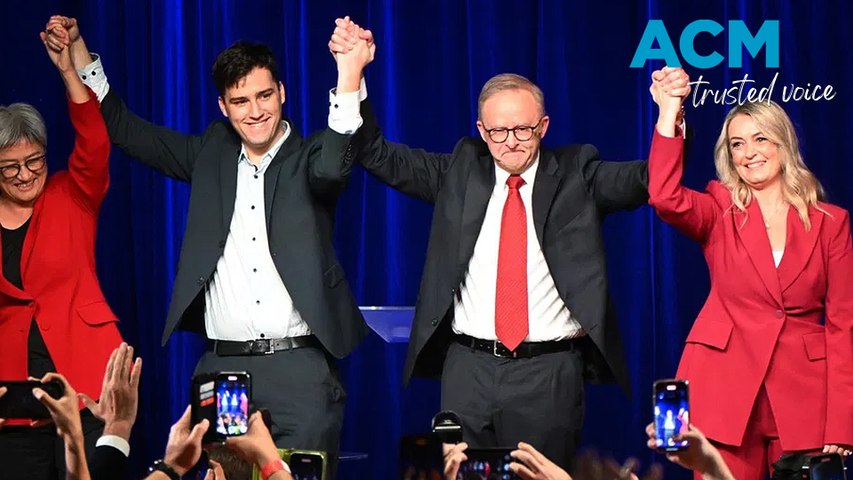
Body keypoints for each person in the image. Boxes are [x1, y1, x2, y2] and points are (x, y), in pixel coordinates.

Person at [44, 14, 374, 475]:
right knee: (223, 477)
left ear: (282, 92)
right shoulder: (210, 155)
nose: (255, 111)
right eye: (240, 101)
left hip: (299, 368)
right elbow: (126, 130)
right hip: (225, 370)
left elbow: (335, 167)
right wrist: (78, 56)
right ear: (223, 106)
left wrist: (348, 72)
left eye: (264, 95)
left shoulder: (312, 155)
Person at [331, 19, 646, 471]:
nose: (511, 142)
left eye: (523, 130)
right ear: (481, 130)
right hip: (468, 372)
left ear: (544, 126)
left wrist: (671, 117)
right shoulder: (460, 170)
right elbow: (378, 155)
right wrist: (351, 75)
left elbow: (646, 181)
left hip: (548, 374)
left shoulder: (579, 172)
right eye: (498, 132)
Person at [648, 67, 853, 479]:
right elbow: (664, 196)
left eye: (761, 139)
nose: (749, 152)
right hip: (725, 392)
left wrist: (841, 422)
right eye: (737, 144)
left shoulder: (832, 222)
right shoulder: (719, 209)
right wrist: (670, 111)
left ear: (783, 144)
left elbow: (843, 324)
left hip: (802, 397)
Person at [0, 21, 122, 480]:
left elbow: (94, 143)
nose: (25, 174)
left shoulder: (72, 195)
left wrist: (69, 71)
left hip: (85, 384)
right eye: (9, 167)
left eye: (34, 161)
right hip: (13, 404)